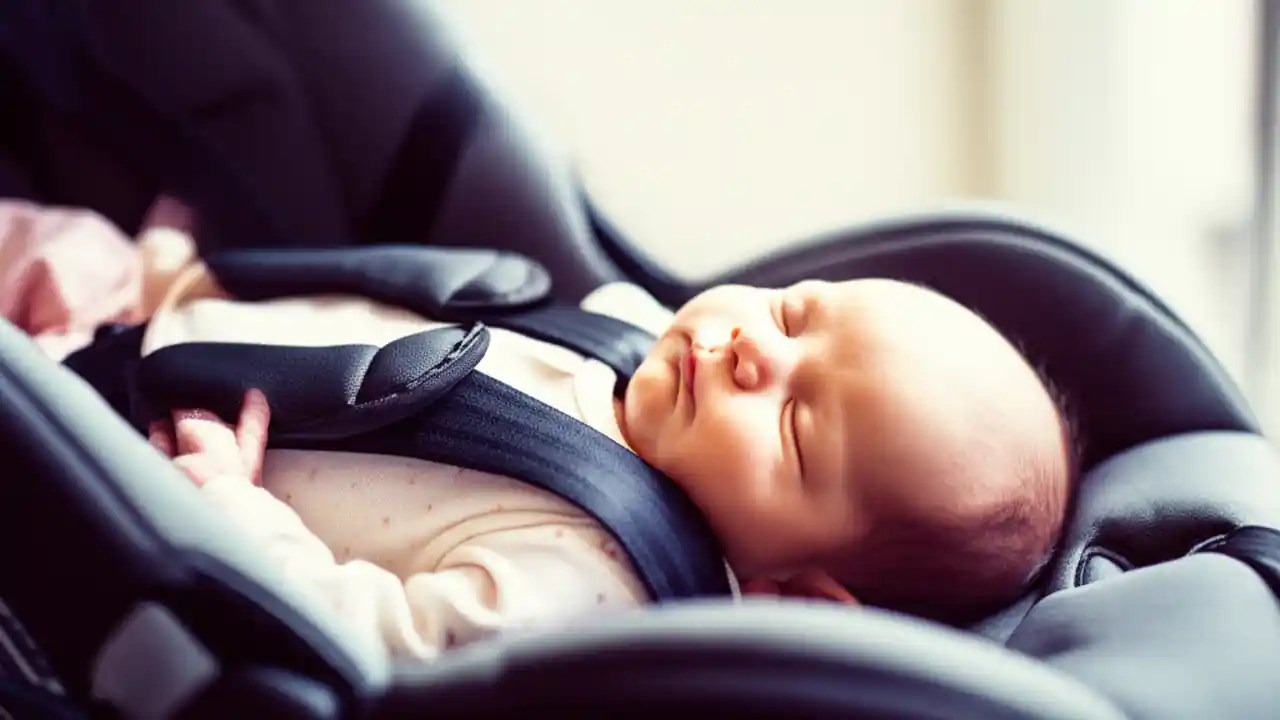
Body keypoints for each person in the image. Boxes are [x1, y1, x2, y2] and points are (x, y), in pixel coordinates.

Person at [143, 248, 1074, 661]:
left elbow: (378, 649)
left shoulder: (590, 580)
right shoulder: (629, 336)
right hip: (162, 303)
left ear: (797, 591)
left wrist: (234, 511)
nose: (756, 349)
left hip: (129, 463)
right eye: (795, 311)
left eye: (794, 425)